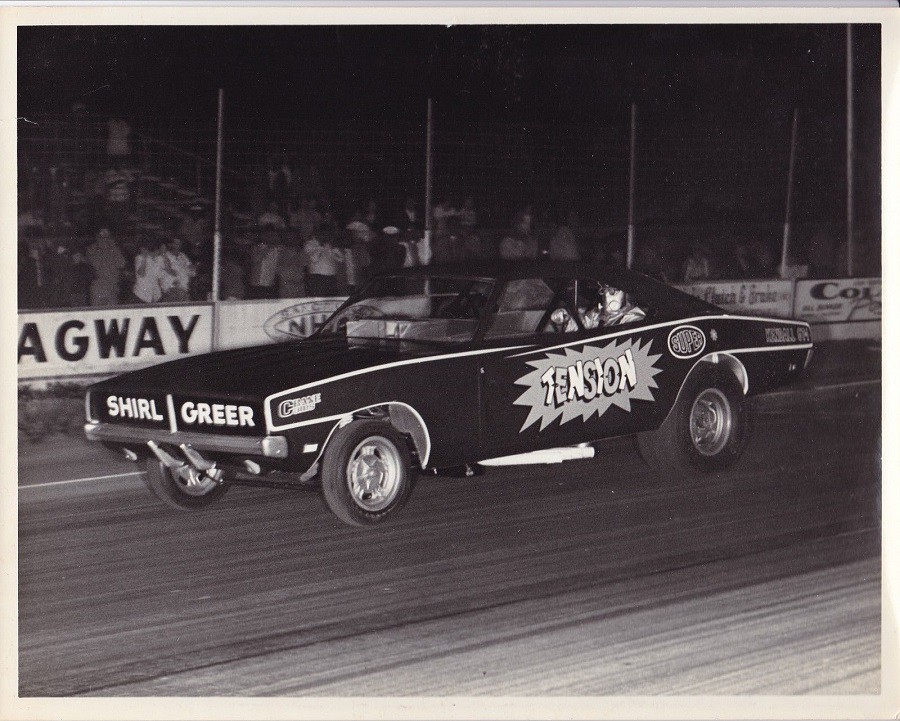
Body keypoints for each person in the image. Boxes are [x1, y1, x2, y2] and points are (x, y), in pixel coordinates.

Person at [86, 227, 126, 306]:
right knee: (97, 314)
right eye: (102, 235)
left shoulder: (113, 249)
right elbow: (94, 264)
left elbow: (121, 263)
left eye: (107, 235)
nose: (105, 238)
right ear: (97, 236)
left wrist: (113, 247)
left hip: (112, 287)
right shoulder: (92, 249)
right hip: (98, 288)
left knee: (112, 314)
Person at [304, 228, 345, 296]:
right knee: (319, 299)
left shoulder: (328, 245)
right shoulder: (310, 244)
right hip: (318, 278)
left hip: (331, 277)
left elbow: (341, 259)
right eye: (323, 234)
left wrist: (335, 250)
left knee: (331, 300)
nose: (326, 236)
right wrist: (320, 247)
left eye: (328, 234)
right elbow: (314, 259)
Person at [133, 239, 172, 303]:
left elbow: (168, 269)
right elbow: (141, 273)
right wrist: (144, 259)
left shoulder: (159, 259)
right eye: (161, 249)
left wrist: (164, 255)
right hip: (141, 295)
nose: (163, 251)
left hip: (155, 295)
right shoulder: (140, 257)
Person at [161, 237, 196, 302]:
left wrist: (193, 267)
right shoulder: (165, 255)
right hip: (171, 289)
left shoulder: (183, 256)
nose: (178, 245)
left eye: (179, 243)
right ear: (170, 244)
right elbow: (169, 270)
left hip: (184, 289)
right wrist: (182, 274)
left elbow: (191, 270)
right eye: (176, 243)